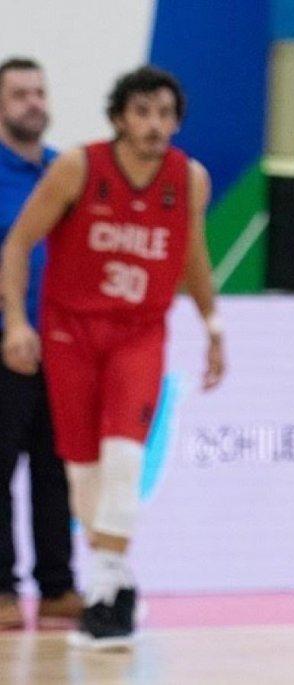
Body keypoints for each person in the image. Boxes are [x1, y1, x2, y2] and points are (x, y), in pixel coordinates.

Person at [0, 65, 225, 649]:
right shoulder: (78, 166)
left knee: (125, 455)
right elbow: (19, 242)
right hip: (70, 335)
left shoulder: (189, 179)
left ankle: (104, 591)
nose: (155, 125)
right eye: (143, 112)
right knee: (82, 471)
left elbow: (192, 255)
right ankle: (114, 581)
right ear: (120, 117)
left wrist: (213, 324)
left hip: (137, 333)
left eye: (165, 113)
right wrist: (18, 322)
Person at [0, 57, 82, 631]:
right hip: (4, 343)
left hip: (63, 348)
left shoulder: (65, 172)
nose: (33, 102)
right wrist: (12, 324)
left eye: (39, 91)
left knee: (58, 472)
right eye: (19, 93)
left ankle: (58, 588)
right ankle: (3, 589)